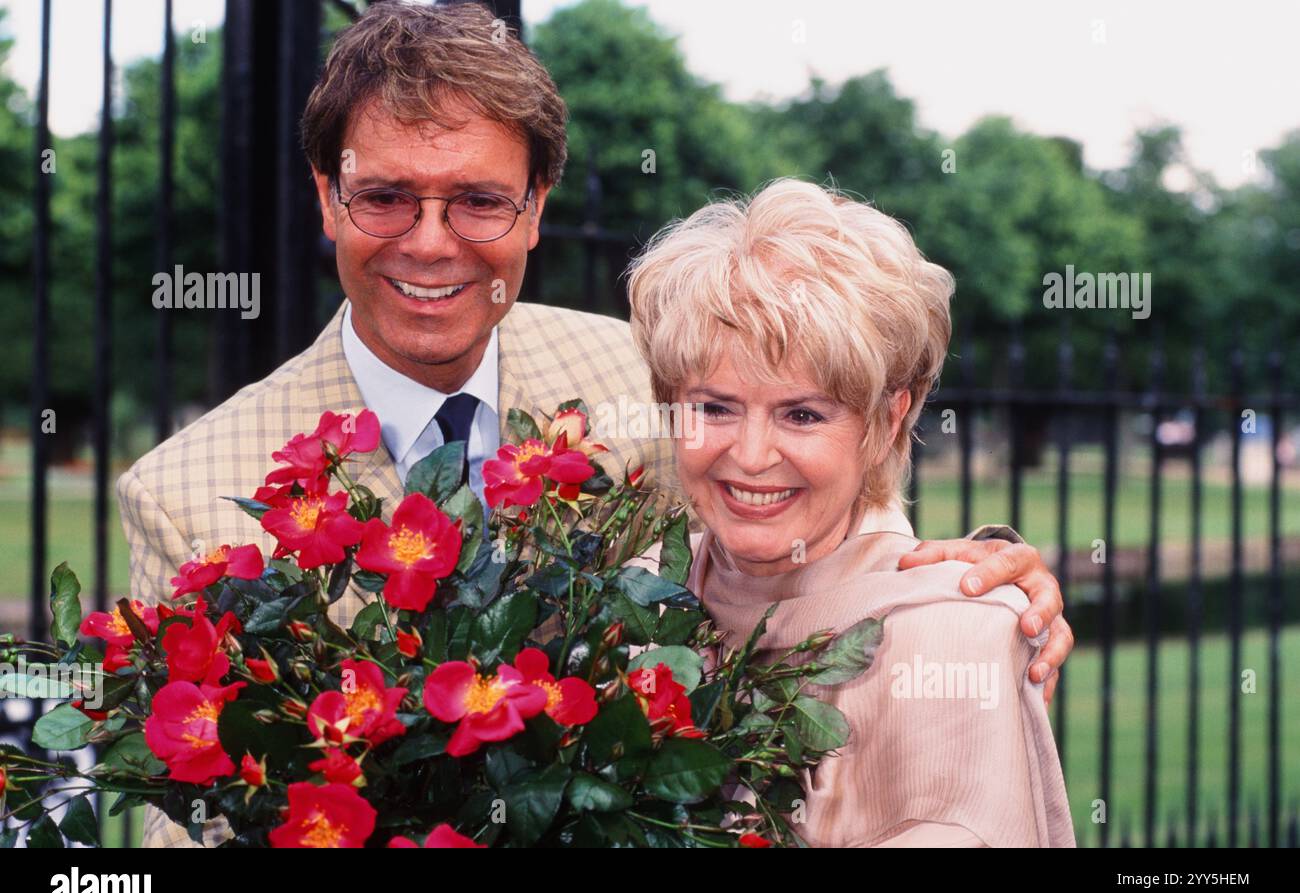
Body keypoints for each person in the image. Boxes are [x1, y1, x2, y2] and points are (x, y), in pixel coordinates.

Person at [121, 4, 1071, 847]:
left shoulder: (644, 375)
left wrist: (981, 594)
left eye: (481, 200)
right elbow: (190, 819)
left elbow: (830, 516)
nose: (429, 240)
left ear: (536, 209)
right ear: (329, 198)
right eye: (386, 196)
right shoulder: (183, 494)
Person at [626, 178, 1076, 846]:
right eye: (714, 407)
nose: (750, 456)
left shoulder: (958, 637)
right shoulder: (631, 600)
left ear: (888, 421)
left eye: (802, 413)